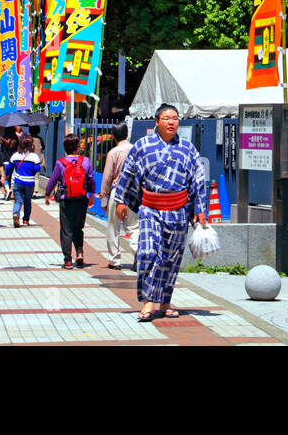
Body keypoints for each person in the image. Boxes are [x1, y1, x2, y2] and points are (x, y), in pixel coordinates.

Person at [111, 104, 207, 322]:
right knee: (147, 253)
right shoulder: (143, 146)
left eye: (175, 118)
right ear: (157, 122)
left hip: (178, 211)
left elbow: (199, 180)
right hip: (151, 209)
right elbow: (127, 173)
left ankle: (164, 301)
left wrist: (200, 209)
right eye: (166, 118)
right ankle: (147, 301)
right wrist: (121, 201)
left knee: (171, 258)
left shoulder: (187, 148)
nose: (171, 122)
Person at [45, 133, 95, 269]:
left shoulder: (61, 163)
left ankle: (68, 260)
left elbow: (53, 179)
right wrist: (91, 195)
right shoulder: (85, 161)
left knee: (66, 230)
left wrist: (47, 194)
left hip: (66, 200)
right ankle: (79, 253)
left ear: (65, 148)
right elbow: (90, 179)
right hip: (82, 199)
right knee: (79, 227)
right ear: (78, 147)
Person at [100, 122, 136, 270]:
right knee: (134, 227)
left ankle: (115, 259)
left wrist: (103, 198)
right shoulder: (137, 149)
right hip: (134, 192)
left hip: (117, 191)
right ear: (127, 133)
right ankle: (138, 252)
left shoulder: (113, 153)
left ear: (113, 136)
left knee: (113, 226)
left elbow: (107, 177)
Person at [6, 136, 42, 228]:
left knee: (18, 201)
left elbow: (9, 167)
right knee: (27, 201)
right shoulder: (34, 157)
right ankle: (26, 220)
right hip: (29, 182)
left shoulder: (16, 155)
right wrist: (31, 173)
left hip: (18, 181)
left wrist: (6, 175)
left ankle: (16, 214)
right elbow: (37, 168)